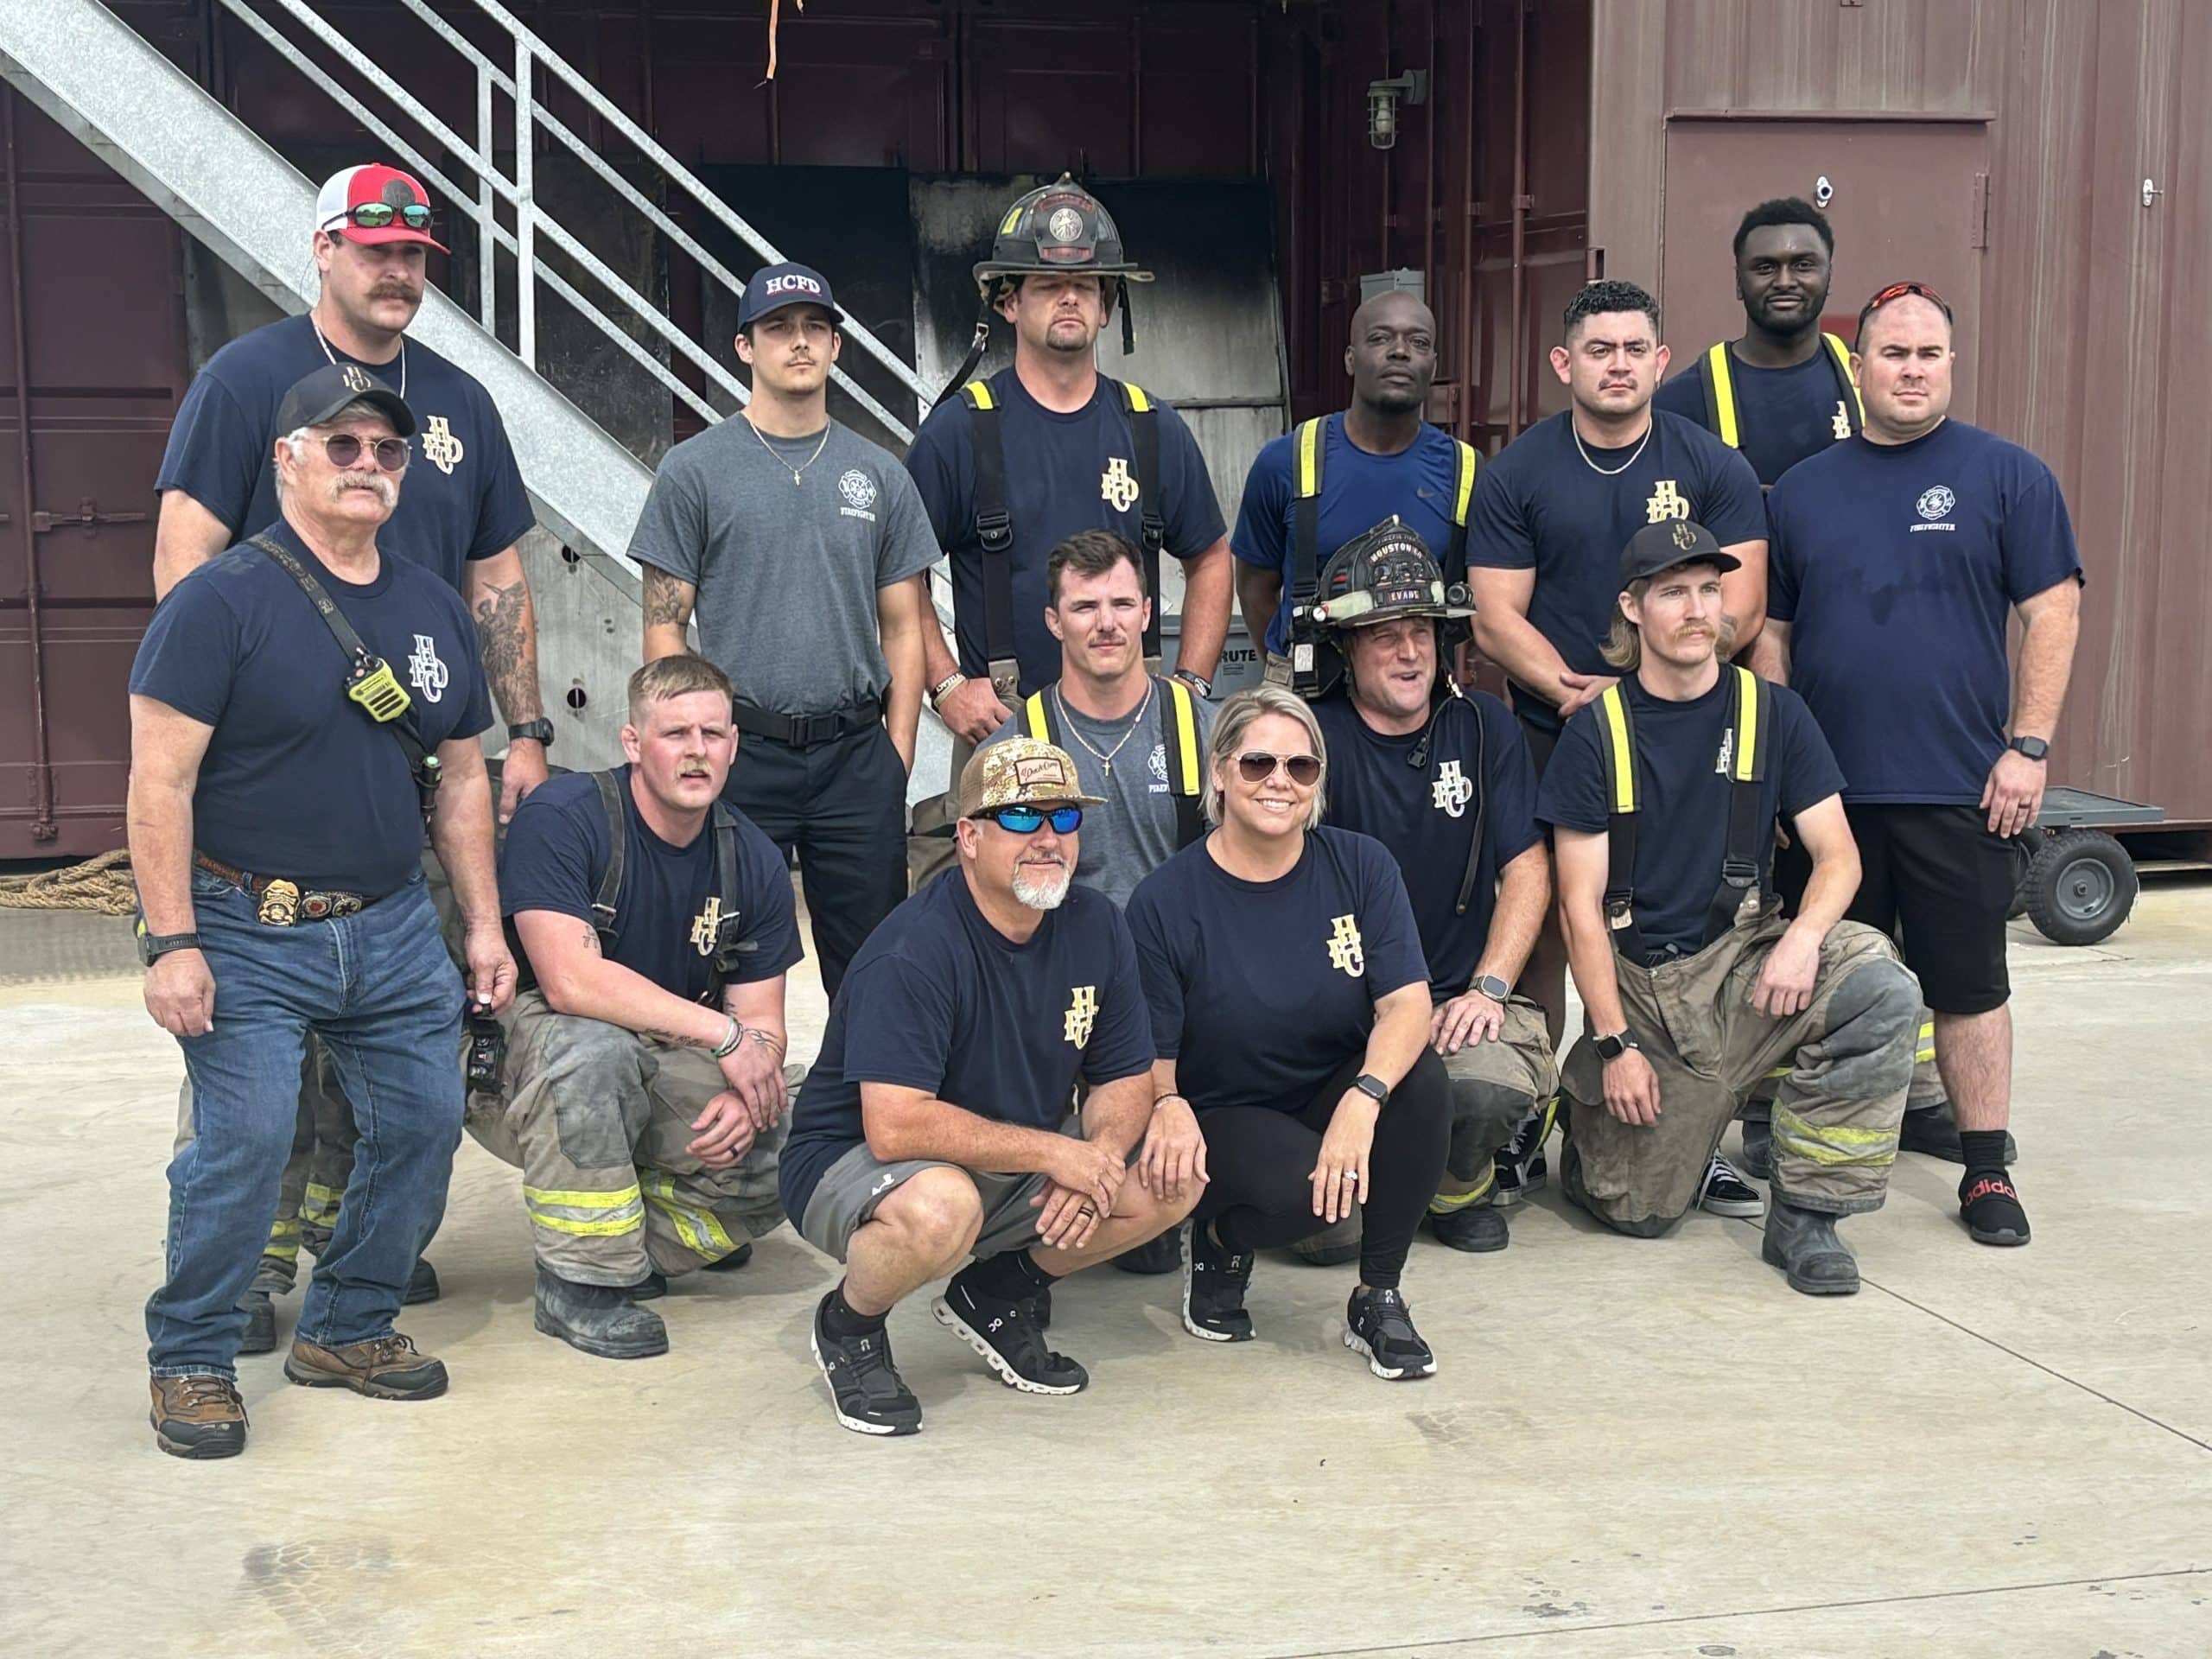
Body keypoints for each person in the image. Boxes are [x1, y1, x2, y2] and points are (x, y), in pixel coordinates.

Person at [153, 164, 549, 1338]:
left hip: (423, 774)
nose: (398, 271)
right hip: (270, 780)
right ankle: (245, 1272)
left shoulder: (462, 406)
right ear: (322, 250)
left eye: (416, 254)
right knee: (250, 1065)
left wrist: (522, 729)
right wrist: (222, 724)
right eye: (374, 249)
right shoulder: (246, 384)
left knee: (390, 1039)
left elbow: (497, 579)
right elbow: (185, 561)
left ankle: (347, 1255)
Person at [130, 367, 514, 1458]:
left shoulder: (434, 604)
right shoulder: (220, 601)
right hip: (245, 921)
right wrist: (173, 944)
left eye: (388, 452)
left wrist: (482, 926)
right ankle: (194, 1357)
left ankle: (347, 1325)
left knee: (426, 1126)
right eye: (340, 446)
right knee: (244, 1143)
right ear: (285, 458)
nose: (368, 467)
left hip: (390, 925)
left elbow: (464, 777)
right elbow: (157, 782)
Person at [1758, 281, 2082, 1248]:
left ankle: (1985, 1170)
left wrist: (2026, 749)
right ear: (1856, 368)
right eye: (1890, 354)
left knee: (1968, 984)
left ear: (1950, 364)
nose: (1909, 369)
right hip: (1830, 802)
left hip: (1960, 786)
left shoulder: (2007, 476)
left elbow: (2052, 611)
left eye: (1926, 354)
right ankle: (1820, 1167)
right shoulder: (1805, 489)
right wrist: (1783, 771)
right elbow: (1771, 637)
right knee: (1835, 988)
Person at [1536, 520, 1920, 1292]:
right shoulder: (1595, 736)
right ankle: (1615, 1128)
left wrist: (1803, 937)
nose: (1696, 610)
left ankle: (1807, 1216)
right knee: (1638, 1213)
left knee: (1883, 989)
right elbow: (1579, 910)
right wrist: (1614, 1046)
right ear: (1633, 608)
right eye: (1673, 592)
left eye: (1709, 590)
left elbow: (1839, 856)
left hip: (1747, 965)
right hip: (1648, 996)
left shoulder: (1775, 713)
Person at [779, 738, 1195, 1437]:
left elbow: (1124, 1076)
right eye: (1022, 818)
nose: (1047, 839)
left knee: (1170, 1176)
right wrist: (1056, 1156)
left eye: (1064, 819)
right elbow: (894, 1125)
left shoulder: (1097, 926)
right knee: (943, 1208)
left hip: (1004, 1156)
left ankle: (996, 1296)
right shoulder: (915, 950)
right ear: (969, 837)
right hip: (852, 1162)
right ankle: (849, 1325)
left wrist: (1094, 1156)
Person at [1465, 277, 1768, 1216]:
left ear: (1660, 360)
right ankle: (1530, 1115)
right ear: (1565, 364)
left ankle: (1698, 1124)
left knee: (1684, 922)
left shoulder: (1712, 465)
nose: (1618, 364)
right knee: (1559, 919)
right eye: (1599, 350)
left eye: (1635, 348)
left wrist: (1648, 697)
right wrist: (1573, 691)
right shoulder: (1518, 471)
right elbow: (1491, 616)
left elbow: (1742, 606)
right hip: (1554, 729)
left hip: (1687, 737)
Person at [479, 655, 803, 1360]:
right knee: (594, 1049)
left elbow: (766, 1025)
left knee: (807, 1117)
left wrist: (754, 1086)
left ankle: (644, 1244)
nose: (696, 751)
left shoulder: (751, 857)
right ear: (632, 743)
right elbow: (569, 981)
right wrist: (726, 1038)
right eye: (675, 733)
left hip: (661, 1053)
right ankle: (580, 1285)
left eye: (713, 734)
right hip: (523, 1065)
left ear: (734, 745)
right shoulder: (564, 818)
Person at [1126, 687, 1452, 1380]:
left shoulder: (1362, 866)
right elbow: (1147, 1053)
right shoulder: (1165, 900)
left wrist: (1363, 1101)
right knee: (1314, 1195)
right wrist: (1165, 1104)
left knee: (1420, 1080)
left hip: (1328, 1086)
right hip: (1226, 1111)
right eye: (1258, 763)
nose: (1280, 781)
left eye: (1301, 768)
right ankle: (1218, 1238)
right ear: (1219, 772)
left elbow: (1408, 1004)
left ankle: (1379, 1295)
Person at [633, 261, 936, 999]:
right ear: (745, 347)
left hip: (856, 757)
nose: (798, 344)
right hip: (743, 753)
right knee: (722, 953)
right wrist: (692, 748)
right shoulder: (694, 470)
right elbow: (664, 632)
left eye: (814, 329)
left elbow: (904, 628)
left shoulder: (880, 474)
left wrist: (895, 756)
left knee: (874, 970)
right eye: (777, 329)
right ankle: (724, 1104)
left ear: (836, 347)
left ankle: (866, 1114)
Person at [906, 175, 1231, 756]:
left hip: (1138, 737)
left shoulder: (1150, 427)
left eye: (1085, 285)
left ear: (1107, 306)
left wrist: (1190, 685)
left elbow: (1210, 558)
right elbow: (898, 571)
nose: (1069, 298)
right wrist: (947, 684)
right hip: (1006, 734)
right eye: (1049, 284)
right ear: (1009, 302)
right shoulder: (960, 431)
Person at [1305, 522, 1554, 1257]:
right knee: (1325, 1242)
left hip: (1456, 1006)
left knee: (1486, 1088)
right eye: (1385, 633)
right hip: (1342, 1020)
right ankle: (1377, 1178)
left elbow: (1528, 869)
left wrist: (1491, 987)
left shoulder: (1487, 729)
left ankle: (1459, 1181)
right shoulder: (1308, 743)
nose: (1410, 652)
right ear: (1346, 647)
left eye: (1423, 631)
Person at [983, 528, 1217, 1278]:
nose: (1106, 622)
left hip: (1185, 981)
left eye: (1122, 603)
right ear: (1054, 622)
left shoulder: (1204, 729)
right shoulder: (1017, 746)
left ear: (1149, 612)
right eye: (1085, 607)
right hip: (1070, 985)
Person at [1230, 289, 1478, 692]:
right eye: (1381, 338)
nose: (1400, 352)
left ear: (1433, 365)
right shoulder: (1286, 463)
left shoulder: (1466, 472)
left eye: (1418, 342)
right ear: (1350, 358)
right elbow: (1255, 587)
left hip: (1417, 704)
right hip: (1306, 699)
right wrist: (1290, 670)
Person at [1654, 197, 1864, 488]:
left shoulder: (1870, 381)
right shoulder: (1681, 403)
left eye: (1803, 265)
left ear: (1829, 276)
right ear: (1739, 282)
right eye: (1766, 268)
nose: (1785, 282)